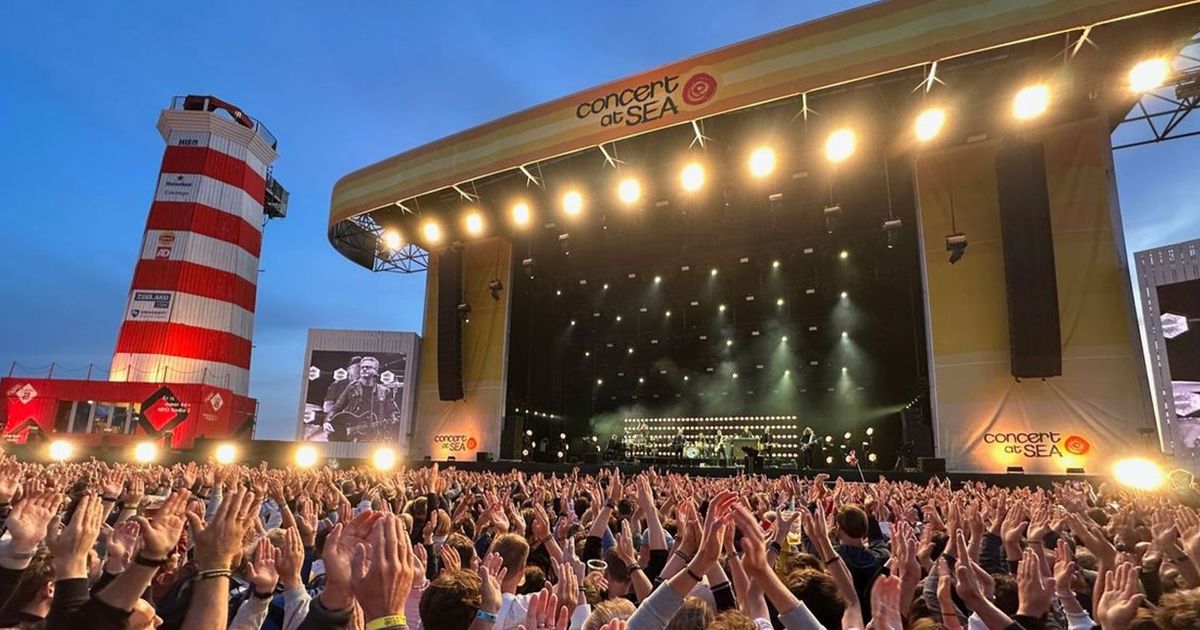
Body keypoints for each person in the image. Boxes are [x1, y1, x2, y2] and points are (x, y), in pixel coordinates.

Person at [327, 355, 401, 442]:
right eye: (362, 367)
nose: (364, 369)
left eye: (368, 367)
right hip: (352, 433)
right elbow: (336, 407)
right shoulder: (352, 387)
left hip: (374, 436)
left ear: (375, 371)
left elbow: (395, 413)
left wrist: (392, 420)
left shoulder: (384, 391)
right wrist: (327, 421)